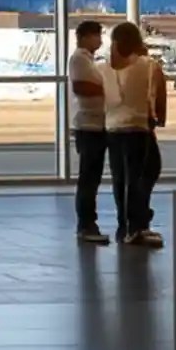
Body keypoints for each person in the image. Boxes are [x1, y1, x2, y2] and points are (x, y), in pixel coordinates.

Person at [101, 21, 166, 246]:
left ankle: (125, 223)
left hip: (112, 127)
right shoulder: (148, 65)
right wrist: (159, 118)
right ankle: (136, 225)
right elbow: (157, 94)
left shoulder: (103, 68)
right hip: (138, 128)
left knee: (120, 178)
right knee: (142, 176)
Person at [68, 21, 108, 244]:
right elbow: (81, 87)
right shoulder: (80, 59)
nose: (99, 40)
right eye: (95, 36)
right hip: (88, 125)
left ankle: (88, 222)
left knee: (93, 176)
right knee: (89, 178)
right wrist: (109, 88)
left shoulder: (91, 60)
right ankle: (86, 223)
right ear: (83, 37)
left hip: (97, 124)